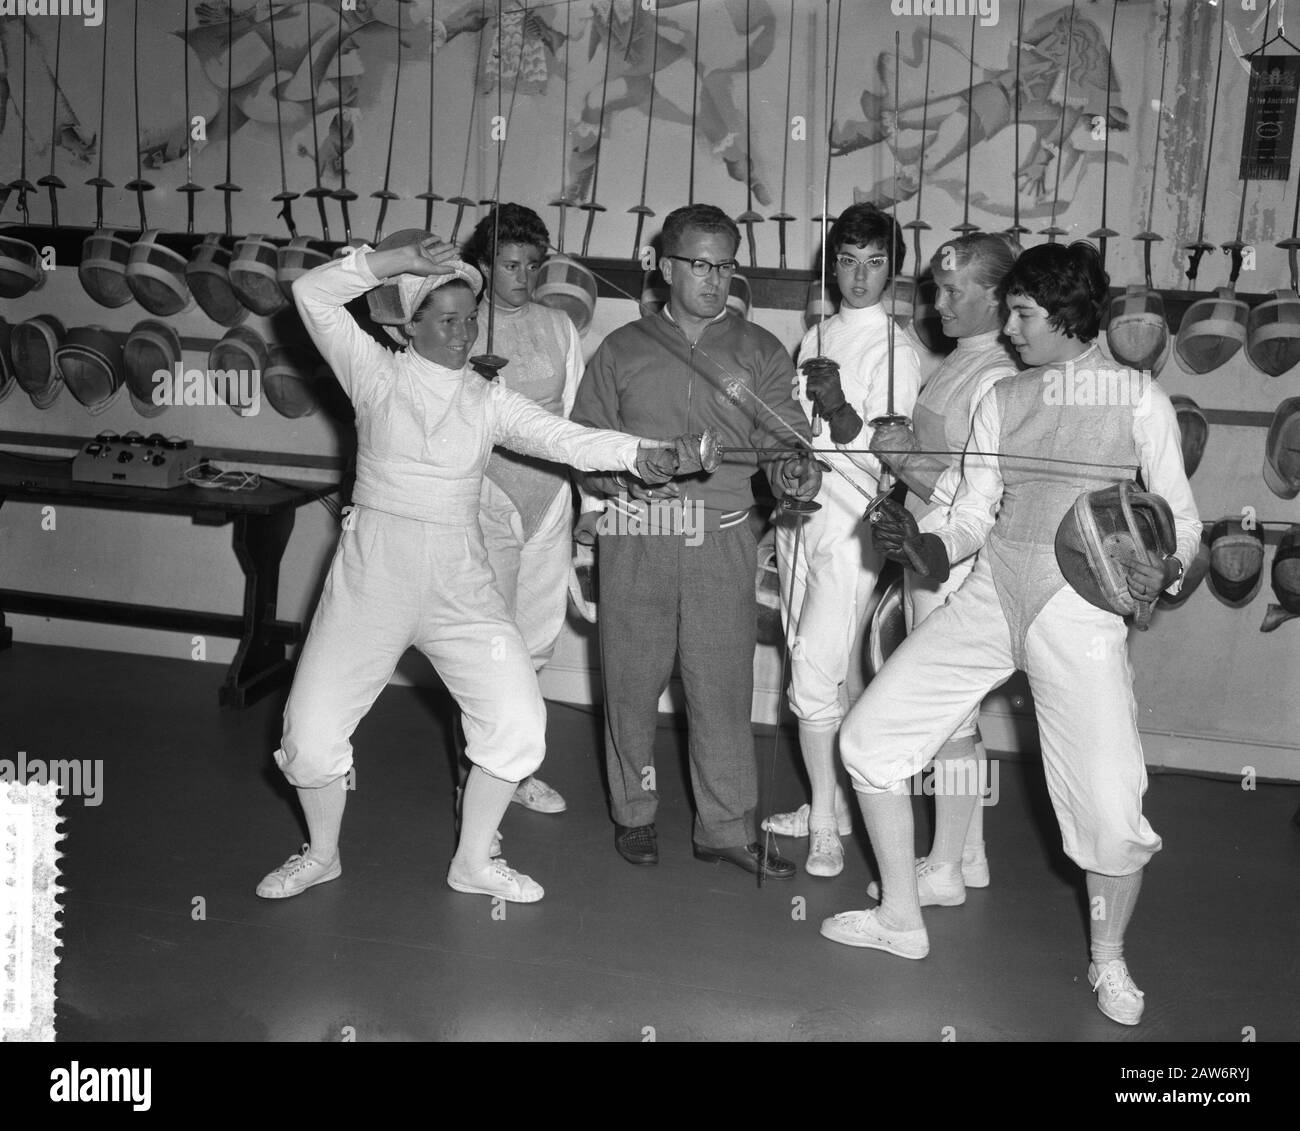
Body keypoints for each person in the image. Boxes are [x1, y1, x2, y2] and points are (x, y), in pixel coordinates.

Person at [823, 242, 1200, 1029]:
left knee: (1109, 811)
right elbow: (969, 511)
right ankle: (901, 916)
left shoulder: (1137, 398)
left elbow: (1182, 521)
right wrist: (920, 545)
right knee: (868, 740)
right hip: (993, 592)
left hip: (1079, 612)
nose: (1012, 327)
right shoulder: (1006, 395)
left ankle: (1109, 958)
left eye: (1024, 314)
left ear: (1067, 316)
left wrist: (1160, 572)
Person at [256, 235, 684, 905]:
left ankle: (475, 859)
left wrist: (639, 453)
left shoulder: (489, 399)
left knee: (516, 718)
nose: (462, 334)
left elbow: (562, 437)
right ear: (412, 324)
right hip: (372, 577)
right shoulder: (373, 371)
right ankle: (322, 852)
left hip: (460, 581)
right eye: (446, 320)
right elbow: (312, 294)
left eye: (468, 320)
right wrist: (399, 262)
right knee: (309, 734)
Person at [571, 203, 822, 878]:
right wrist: (613, 474)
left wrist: (793, 465)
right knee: (630, 681)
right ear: (665, 265)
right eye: (701, 264)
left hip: (722, 535)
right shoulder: (621, 348)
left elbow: (784, 434)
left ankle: (724, 826)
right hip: (639, 529)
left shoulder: (760, 350)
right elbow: (585, 439)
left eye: (726, 264)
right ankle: (636, 812)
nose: (715, 279)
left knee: (720, 687)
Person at [859, 233, 1021, 902]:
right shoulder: (963, 358)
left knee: (948, 719)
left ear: (999, 297)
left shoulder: (999, 376)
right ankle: (967, 854)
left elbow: (985, 487)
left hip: (954, 559)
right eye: (936, 287)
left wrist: (905, 460)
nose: (938, 301)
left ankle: (945, 869)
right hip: (924, 548)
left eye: (954, 292)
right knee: (955, 715)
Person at [763, 202, 922, 878]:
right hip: (802, 517)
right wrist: (791, 461)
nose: (859, 276)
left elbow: (893, 467)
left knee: (813, 673)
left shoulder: (898, 350)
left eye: (875, 262)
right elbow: (803, 438)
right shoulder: (817, 335)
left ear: (893, 270)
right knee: (805, 659)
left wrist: (839, 410)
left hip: (854, 528)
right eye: (848, 261)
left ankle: (827, 826)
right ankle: (823, 801)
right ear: (833, 264)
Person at [460, 203, 584, 818]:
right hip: (487, 496)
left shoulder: (559, 326)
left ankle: (518, 769)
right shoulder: (459, 323)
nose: (522, 278)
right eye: (509, 264)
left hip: (551, 498)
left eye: (532, 265)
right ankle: (476, 775)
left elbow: (576, 420)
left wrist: (586, 502)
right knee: (490, 645)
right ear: (483, 264)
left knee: (536, 642)